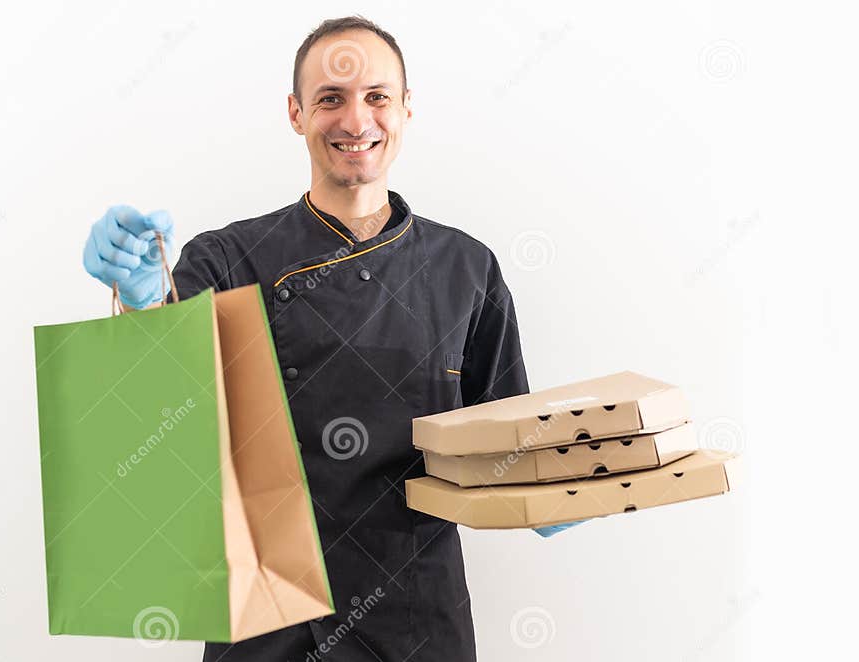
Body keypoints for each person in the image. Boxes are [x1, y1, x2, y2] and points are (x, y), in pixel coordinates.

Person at [83, 15, 580, 661]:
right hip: (265, 621)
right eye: (330, 99)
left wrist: (558, 490)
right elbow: (154, 396)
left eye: (376, 96)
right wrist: (144, 299)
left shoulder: (468, 269)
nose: (355, 120)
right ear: (296, 113)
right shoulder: (231, 257)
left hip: (417, 622)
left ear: (405, 109)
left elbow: (504, 440)